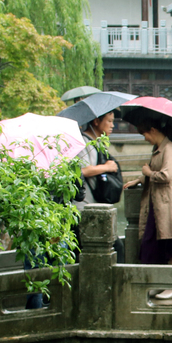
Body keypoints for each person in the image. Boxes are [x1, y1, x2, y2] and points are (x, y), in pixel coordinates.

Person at [125, 119, 172, 298]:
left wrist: (148, 173)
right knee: (153, 245)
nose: (145, 138)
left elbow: (165, 175)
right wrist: (139, 179)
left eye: (145, 134)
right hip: (158, 206)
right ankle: (161, 283)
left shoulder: (169, 148)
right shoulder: (158, 149)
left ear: (153, 130)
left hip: (170, 206)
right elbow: (153, 172)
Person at [77, 110, 125, 262]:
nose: (112, 125)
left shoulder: (97, 144)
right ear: (96, 121)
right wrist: (107, 167)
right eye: (109, 121)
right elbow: (82, 171)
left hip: (94, 207)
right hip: (84, 208)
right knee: (115, 247)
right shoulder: (85, 143)